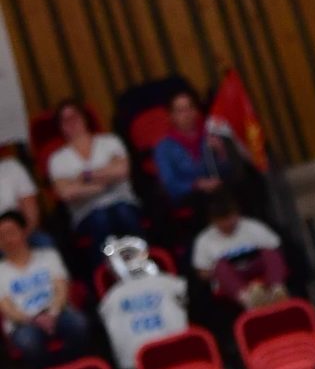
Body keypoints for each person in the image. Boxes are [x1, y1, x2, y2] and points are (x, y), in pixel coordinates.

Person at [47, 100, 143, 262]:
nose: (72, 123)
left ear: (84, 118)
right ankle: (107, 271)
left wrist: (84, 178)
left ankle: (140, 261)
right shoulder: (57, 159)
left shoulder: (110, 141)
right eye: (66, 120)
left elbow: (122, 170)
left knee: (123, 214)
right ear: (60, 126)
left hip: (122, 201)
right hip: (86, 212)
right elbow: (66, 193)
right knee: (101, 220)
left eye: (75, 117)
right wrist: (106, 180)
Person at [0, 211, 91, 366]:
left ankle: (76, 367)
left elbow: (61, 288)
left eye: (11, 232)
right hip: (23, 322)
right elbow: (7, 307)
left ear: (24, 232)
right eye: (1, 236)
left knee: (78, 324)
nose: (7, 239)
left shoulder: (49, 256)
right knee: (28, 342)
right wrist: (33, 320)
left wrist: (53, 314)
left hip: (57, 311)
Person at [98, 236, 188, 369]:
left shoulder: (163, 282)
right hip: (138, 362)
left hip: (172, 350)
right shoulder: (113, 296)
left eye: (130, 256)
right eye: (125, 258)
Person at [191, 189, 287, 310]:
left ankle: (277, 290)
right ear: (214, 220)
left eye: (230, 217)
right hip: (231, 278)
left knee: (270, 253)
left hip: (257, 267)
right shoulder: (204, 240)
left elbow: (275, 248)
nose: (228, 223)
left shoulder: (252, 226)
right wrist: (217, 271)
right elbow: (202, 272)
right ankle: (249, 300)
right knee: (220, 267)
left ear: (237, 213)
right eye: (223, 220)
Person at [153, 88, 246, 210]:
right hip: (190, 196)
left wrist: (221, 152)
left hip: (218, 189)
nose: (187, 114)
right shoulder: (164, 147)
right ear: (171, 116)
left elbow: (228, 172)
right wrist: (196, 185)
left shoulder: (210, 134)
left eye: (190, 108)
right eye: (180, 111)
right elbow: (170, 184)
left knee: (243, 186)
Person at [0, 155, 43, 241]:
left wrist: (23, 237)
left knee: (42, 241)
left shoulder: (11, 167)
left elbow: (31, 211)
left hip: (23, 234)